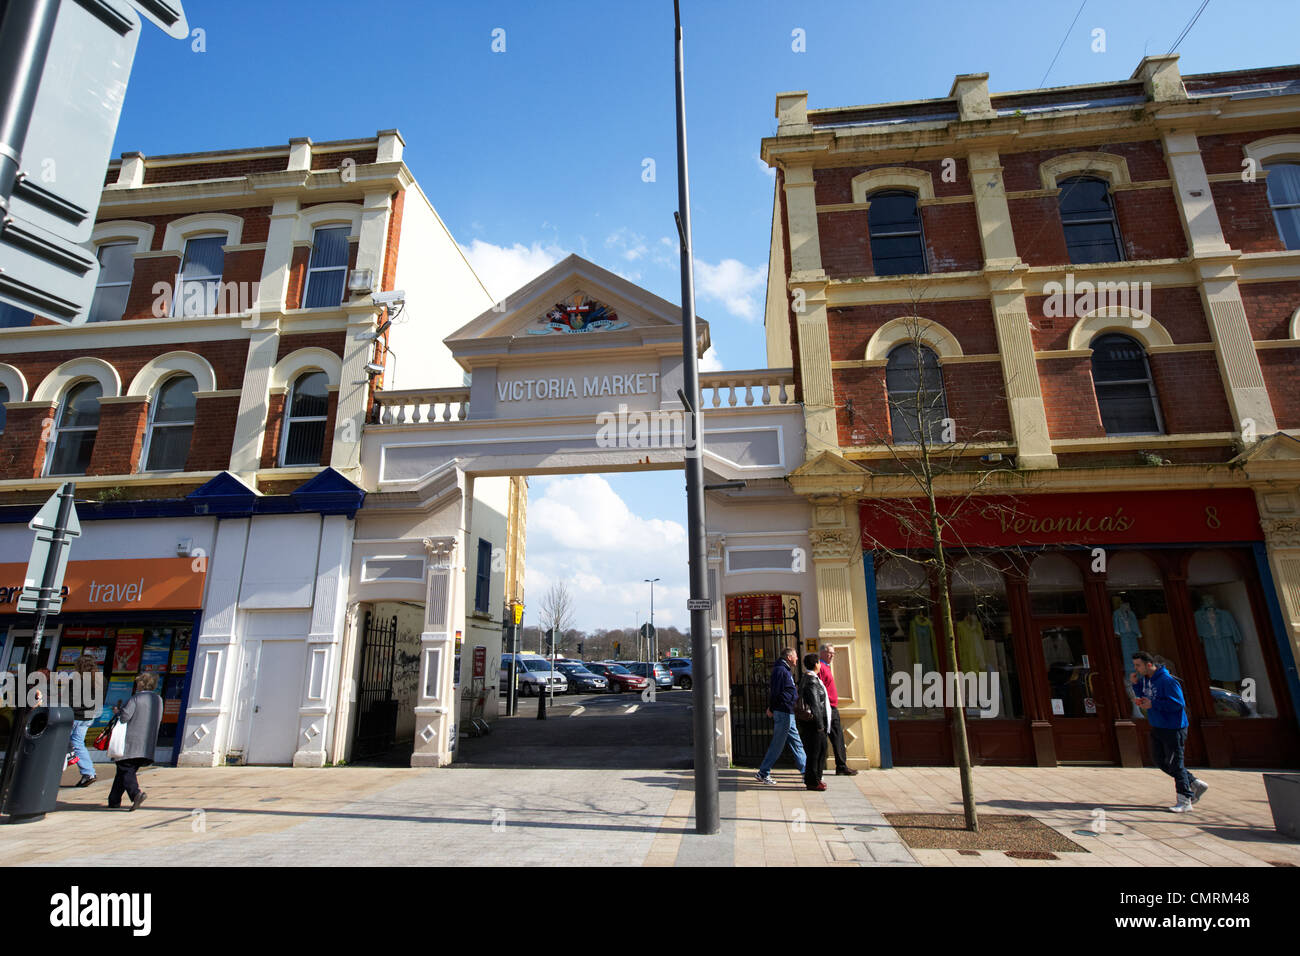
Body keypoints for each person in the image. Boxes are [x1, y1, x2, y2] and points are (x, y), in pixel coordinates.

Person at [1131, 651, 1208, 812]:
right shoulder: (1146, 680)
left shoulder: (1167, 680)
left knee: (1175, 763)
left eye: (1138, 665)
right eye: (1135, 665)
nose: (1136, 668)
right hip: (1158, 725)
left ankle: (1185, 800)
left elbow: (1178, 704)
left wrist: (1153, 705)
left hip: (1173, 728)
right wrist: (1136, 687)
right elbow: (1146, 697)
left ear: (1149, 664)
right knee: (1160, 760)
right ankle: (1193, 782)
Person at [107, 672, 164, 811]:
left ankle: (136, 794)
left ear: (141, 684)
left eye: (138, 682)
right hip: (147, 742)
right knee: (125, 770)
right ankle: (114, 800)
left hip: (131, 741)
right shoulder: (158, 699)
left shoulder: (136, 698)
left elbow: (125, 717)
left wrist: (117, 712)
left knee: (125, 768)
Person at [755, 647, 806, 785]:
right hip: (783, 712)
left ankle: (806, 772)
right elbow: (776, 692)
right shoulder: (781, 670)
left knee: (796, 743)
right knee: (777, 745)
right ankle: (763, 772)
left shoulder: (785, 670)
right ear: (789, 657)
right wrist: (772, 708)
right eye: (795, 656)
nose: (797, 658)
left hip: (788, 712)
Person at [818, 645, 858, 776]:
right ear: (823, 653)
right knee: (831, 737)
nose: (832, 655)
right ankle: (838, 766)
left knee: (837, 737)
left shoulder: (826, 667)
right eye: (830, 653)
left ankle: (841, 765)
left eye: (833, 653)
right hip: (827, 708)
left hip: (832, 707)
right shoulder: (820, 668)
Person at [797, 653, 832, 791]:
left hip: (812, 722)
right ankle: (813, 781)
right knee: (816, 751)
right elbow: (815, 704)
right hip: (814, 723)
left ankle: (815, 778)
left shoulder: (808, 678)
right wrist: (820, 725)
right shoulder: (811, 680)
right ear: (816, 664)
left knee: (818, 750)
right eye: (819, 662)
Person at [69, 655, 101, 788]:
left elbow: (68, 701)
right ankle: (88, 772)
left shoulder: (77, 681)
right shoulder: (99, 681)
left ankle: (87, 772)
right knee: (78, 743)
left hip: (75, 716)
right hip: (88, 717)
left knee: (65, 743)